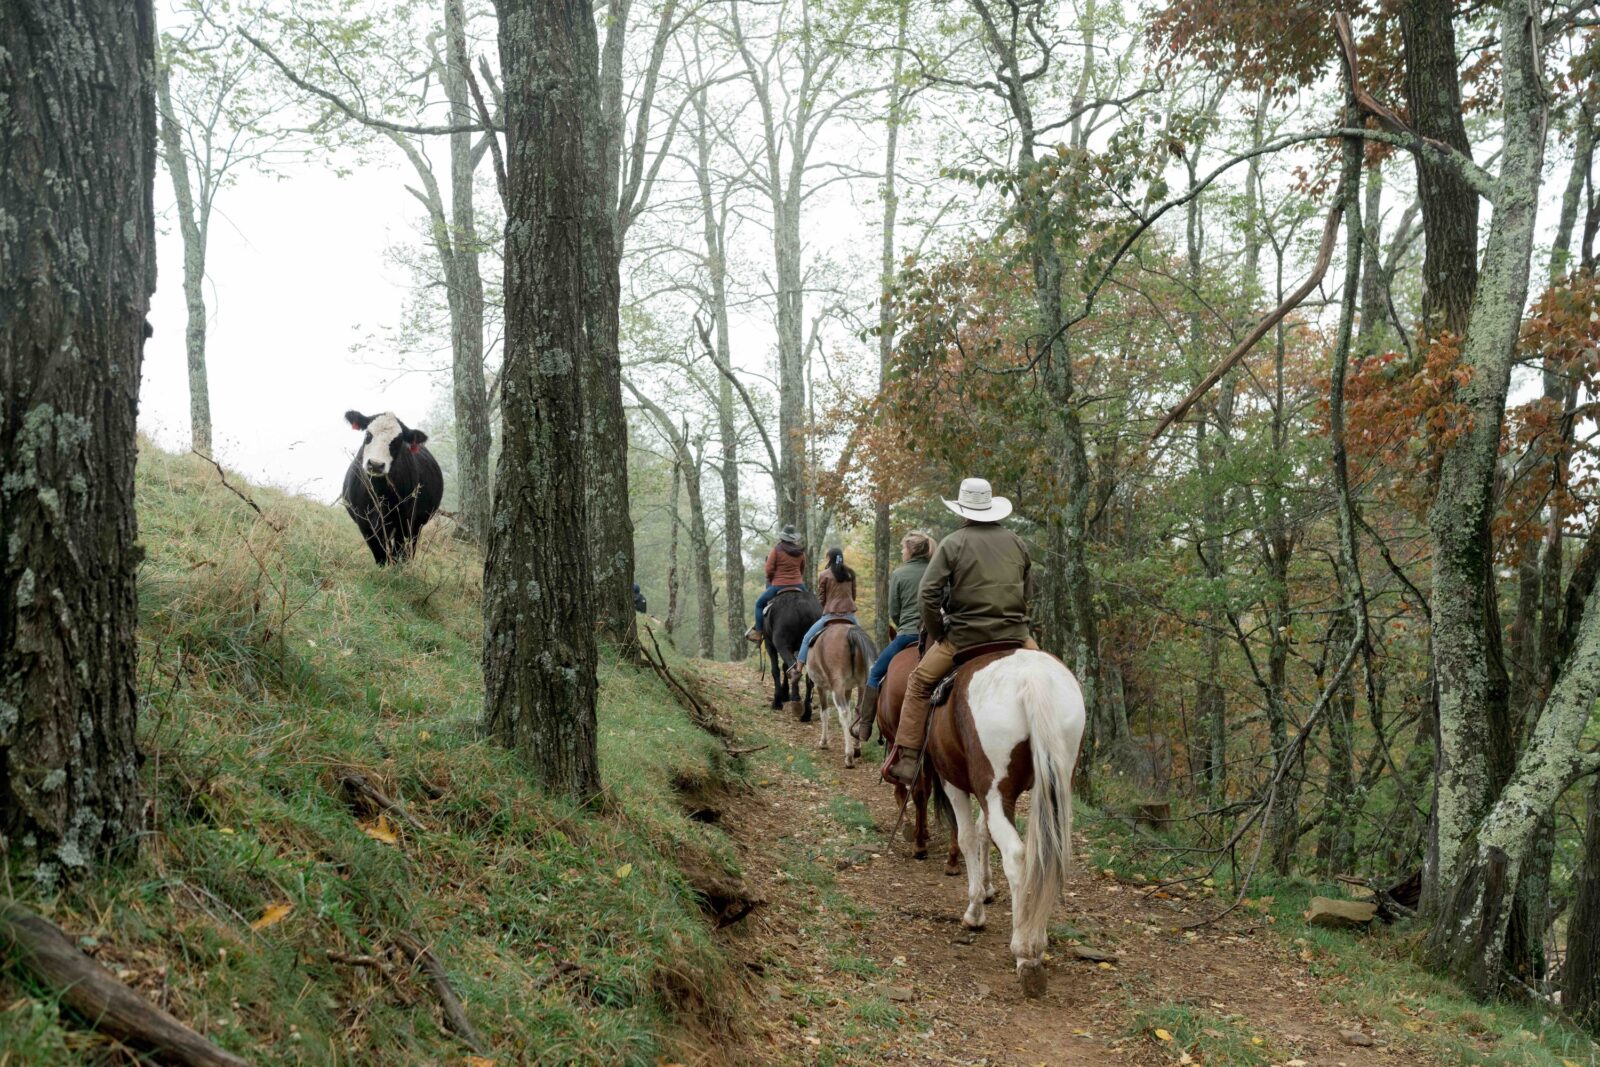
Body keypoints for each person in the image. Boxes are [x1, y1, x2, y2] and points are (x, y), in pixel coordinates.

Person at [883, 478, 1037, 787]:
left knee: (918, 681)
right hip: (1016, 635)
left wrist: (940, 632)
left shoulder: (953, 542)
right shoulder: (1017, 542)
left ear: (963, 510)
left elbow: (927, 594)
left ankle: (908, 758)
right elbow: (1029, 592)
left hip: (966, 637)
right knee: (1047, 676)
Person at [854, 531, 934, 740]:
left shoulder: (899, 574)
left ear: (911, 550)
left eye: (903, 548)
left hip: (908, 635)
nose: (901, 552)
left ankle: (864, 725)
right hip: (935, 637)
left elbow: (894, 610)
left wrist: (903, 626)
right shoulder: (937, 570)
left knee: (874, 673)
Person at [746, 524, 808, 642]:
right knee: (814, 601)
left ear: (782, 537)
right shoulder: (800, 552)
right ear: (794, 538)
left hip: (779, 585)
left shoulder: (776, 550)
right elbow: (802, 570)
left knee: (759, 604)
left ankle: (758, 632)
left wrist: (771, 579)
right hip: (798, 584)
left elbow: (769, 570)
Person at [796, 547, 858, 664]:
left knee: (806, 638)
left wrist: (827, 606)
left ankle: (798, 668)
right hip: (850, 616)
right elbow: (854, 596)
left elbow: (821, 598)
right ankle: (871, 670)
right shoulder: (850, 573)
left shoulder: (824, 574)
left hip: (830, 616)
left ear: (830, 558)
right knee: (865, 641)